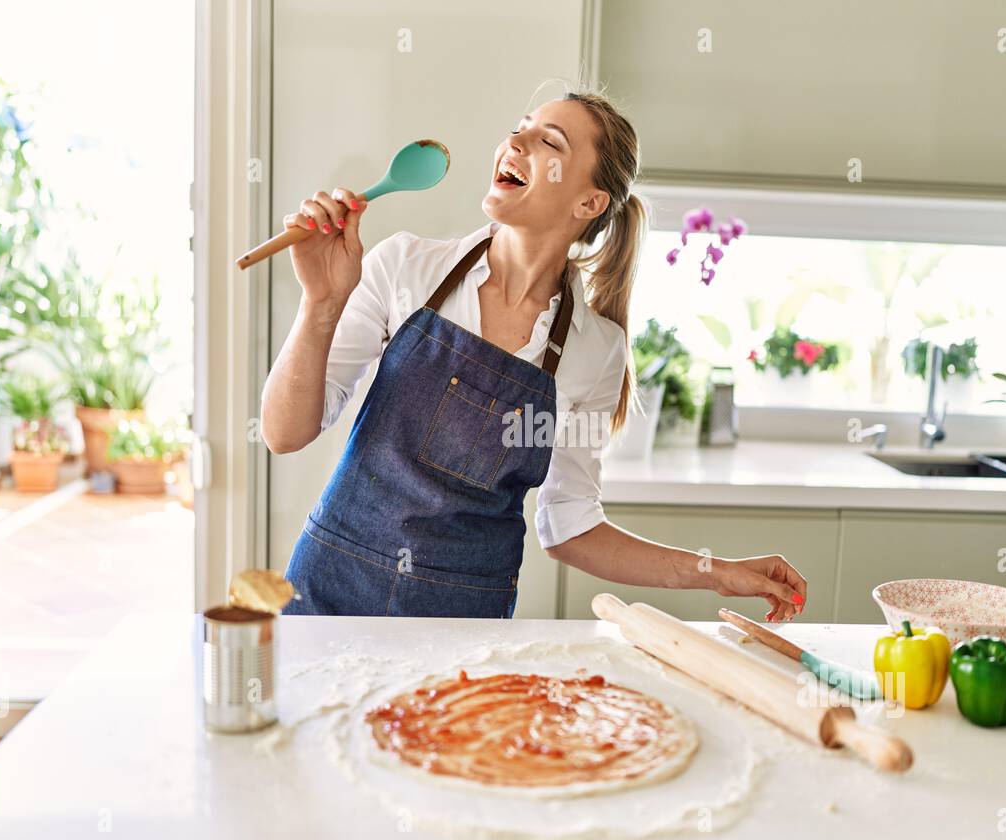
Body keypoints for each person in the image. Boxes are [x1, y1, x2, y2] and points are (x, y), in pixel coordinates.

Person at [262, 92, 807, 622]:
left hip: (462, 624)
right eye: (519, 127)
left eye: (548, 140)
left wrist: (717, 570)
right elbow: (283, 433)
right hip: (329, 598)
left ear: (589, 203)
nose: (515, 140)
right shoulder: (405, 267)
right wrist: (321, 302)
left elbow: (571, 526)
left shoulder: (596, 350)